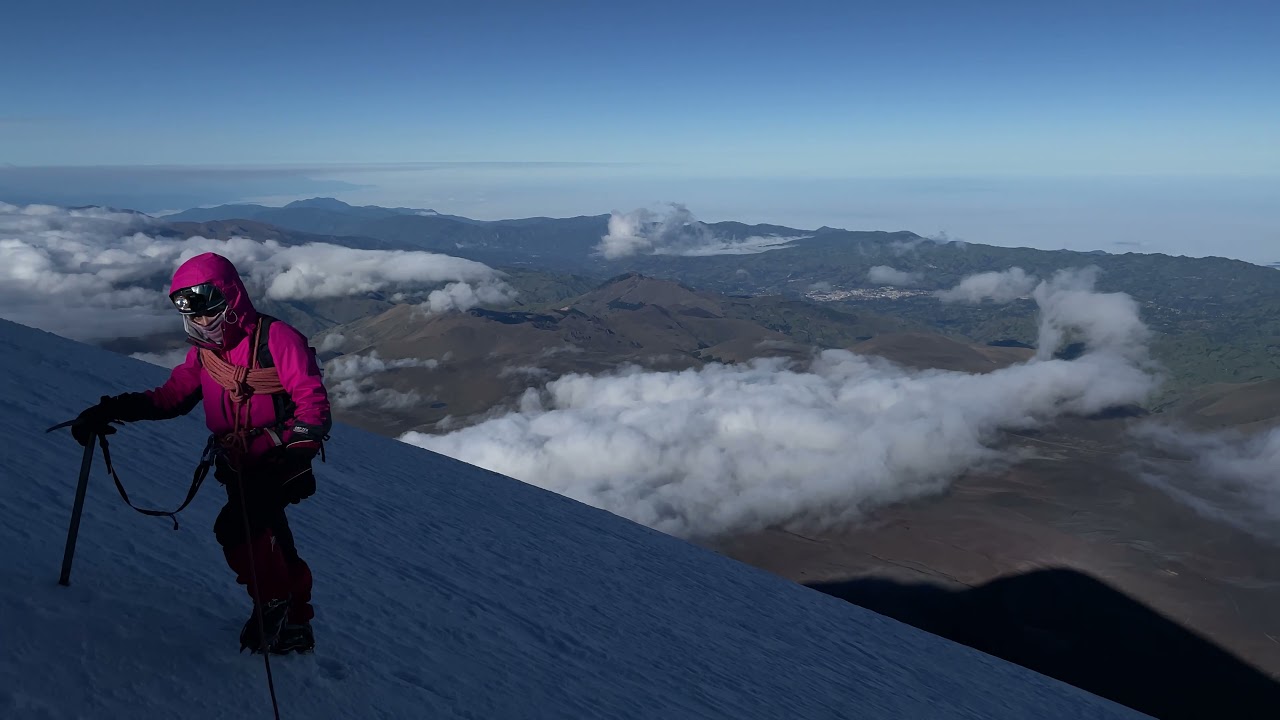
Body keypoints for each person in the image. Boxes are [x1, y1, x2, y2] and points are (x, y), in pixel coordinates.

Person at [70, 251, 331, 655]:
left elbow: (311, 401)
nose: (203, 322)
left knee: (236, 530)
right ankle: (297, 621)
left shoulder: (277, 339)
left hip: (278, 459)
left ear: (231, 299)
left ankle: (274, 599)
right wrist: (112, 409)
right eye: (195, 315)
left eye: (210, 312)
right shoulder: (205, 355)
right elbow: (172, 398)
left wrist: (295, 451)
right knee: (272, 537)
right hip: (238, 462)